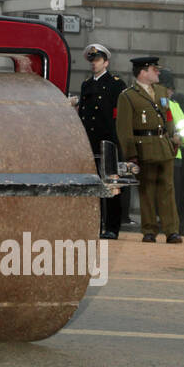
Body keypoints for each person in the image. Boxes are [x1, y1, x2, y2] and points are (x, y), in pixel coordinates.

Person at [116, 55, 181, 243]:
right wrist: (131, 155)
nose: (158, 72)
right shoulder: (128, 96)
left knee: (167, 190)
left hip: (163, 146)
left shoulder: (160, 91)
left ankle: (171, 231)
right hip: (144, 148)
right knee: (146, 191)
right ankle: (149, 230)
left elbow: (167, 116)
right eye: (154, 69)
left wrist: (172, 137)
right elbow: (124, 128)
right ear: (143, 72)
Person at [76, 42, 125, 239]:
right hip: (90, 141)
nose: (93, 64)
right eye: (91, 60)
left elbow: (118, 116)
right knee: (94, 186)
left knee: (111, 186)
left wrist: (116, 140)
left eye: (97, 60)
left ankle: (112, 227)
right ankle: (96, 225)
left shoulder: (116, 84)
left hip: (108, 141)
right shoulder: (86, 85)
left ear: (106, 62)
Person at [159, 70, 184, 234]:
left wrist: (179, 138)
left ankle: (168, 224)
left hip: (170, 156)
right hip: (164, 156)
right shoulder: (156, 104)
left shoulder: (174, 106)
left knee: (169, 194)